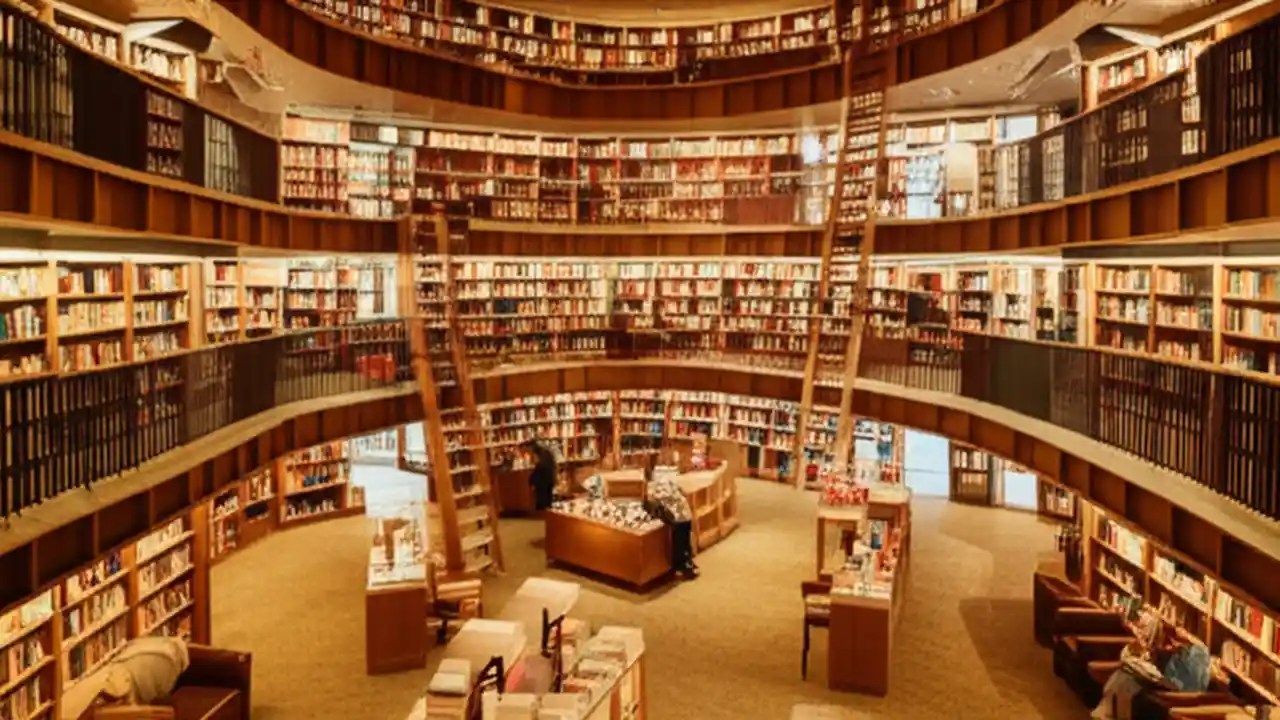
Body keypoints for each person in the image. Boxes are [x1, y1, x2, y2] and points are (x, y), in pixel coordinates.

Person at [645, 464, 697, 578]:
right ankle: (684, 564)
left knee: (682, 539)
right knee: (682, 539)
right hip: (678, 516)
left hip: (679, 516)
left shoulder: (660, 484)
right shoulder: (663, 484)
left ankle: (685, 562)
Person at [525, 439, 558, 512]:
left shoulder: (539, 455)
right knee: (548, 499)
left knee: (542, 502)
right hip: (549, 480)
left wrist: (532, 482)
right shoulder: (546, 452)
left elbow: (538, 470)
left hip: (542, 482)